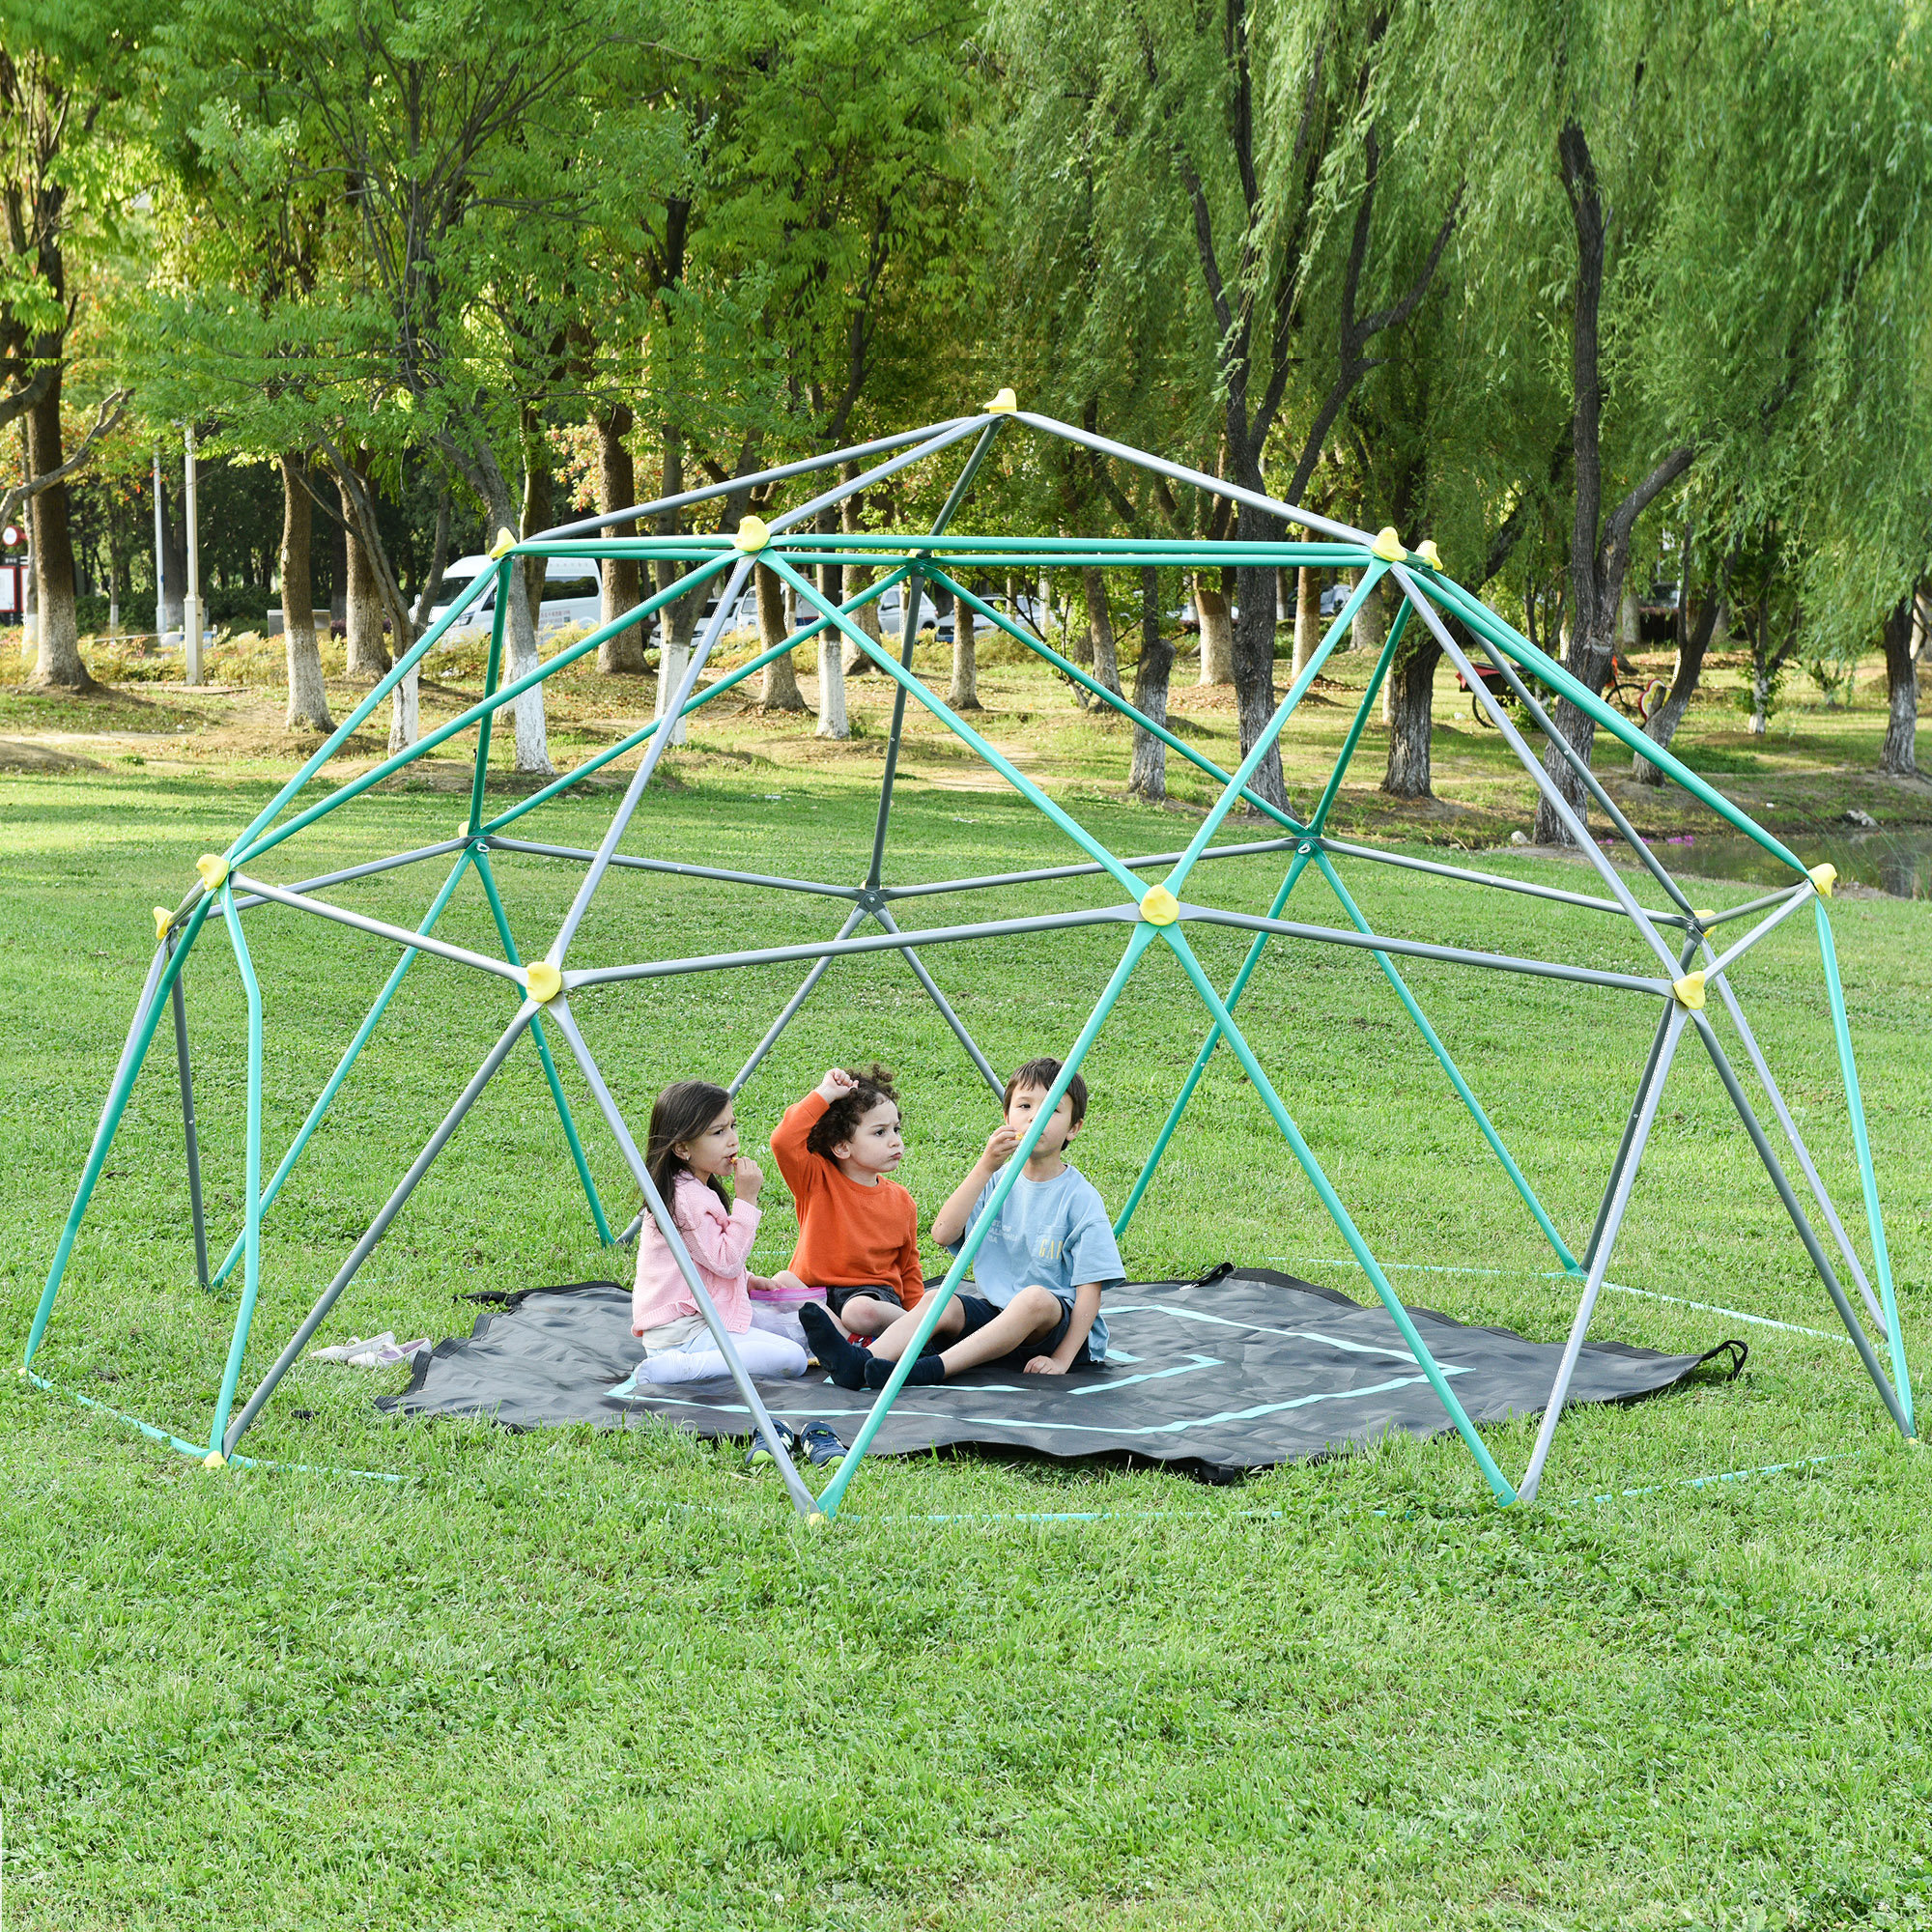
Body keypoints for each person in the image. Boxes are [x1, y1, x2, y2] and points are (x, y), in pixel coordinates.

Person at [802, 1058, 1122, 1391]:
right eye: (1025, 1106)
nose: (1035, 1117)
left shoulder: (1079, 1198)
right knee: (939, 1300)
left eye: (1052, 1109)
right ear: (1007, 1117)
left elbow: (1090, 1291)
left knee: (1034, 1298)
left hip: (1054, 1330)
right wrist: (985, 1166)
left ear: (1073, 1128)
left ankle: (931, 1369)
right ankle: (861, 1361)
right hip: (997, 1318)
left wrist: (1063, 1358)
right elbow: (943, 1233)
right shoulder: (997, 1180)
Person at [630, 1080, 808, 1385]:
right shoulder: (685, 1199)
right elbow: (726, 1262)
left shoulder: (692, 1187)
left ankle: (695, 1361)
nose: (732, 1140)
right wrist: (746, 1200)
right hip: (684, 1333)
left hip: (700, 1320)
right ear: (682, 1148)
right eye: (718, 1132)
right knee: (792, 1358)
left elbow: (706, 1257)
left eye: (732, 1126)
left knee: (794, 1328)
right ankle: (685, 1366)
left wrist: (747, 1280)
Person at [770, 1065, 924, 1340]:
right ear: (842, 1147)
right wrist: (825, 1093)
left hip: (871, 1296)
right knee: (781, 1281)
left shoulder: (902, 1201)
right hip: (816, 1295)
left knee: (858, 1311)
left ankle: (920, 1330)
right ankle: (848, 1341)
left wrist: (918, 1314)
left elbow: (909, 1269)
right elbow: (783, 1140)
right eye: (880, 1132)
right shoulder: (814, 1179)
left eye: (896, 1129)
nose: (895, 1141)